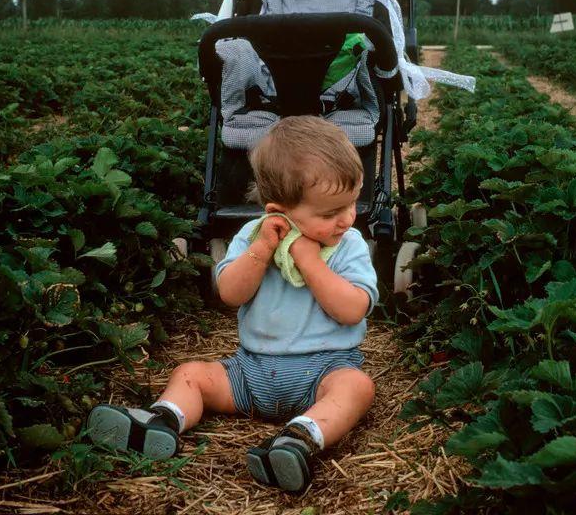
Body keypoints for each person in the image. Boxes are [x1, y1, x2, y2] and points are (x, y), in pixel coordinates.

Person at [87, 116, 378, 493]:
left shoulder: (348, 245)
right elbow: (230, 293)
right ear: (279, 211)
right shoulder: (253, 237)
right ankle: (163, 421)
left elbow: (353, 309)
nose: (346, 219)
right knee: (191, 374)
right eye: (329, 213)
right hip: (250, 373)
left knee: (357, 387)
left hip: (324, 371)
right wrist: (262, 250)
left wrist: (309, 261)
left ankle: (300, 438)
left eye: (351, 203)